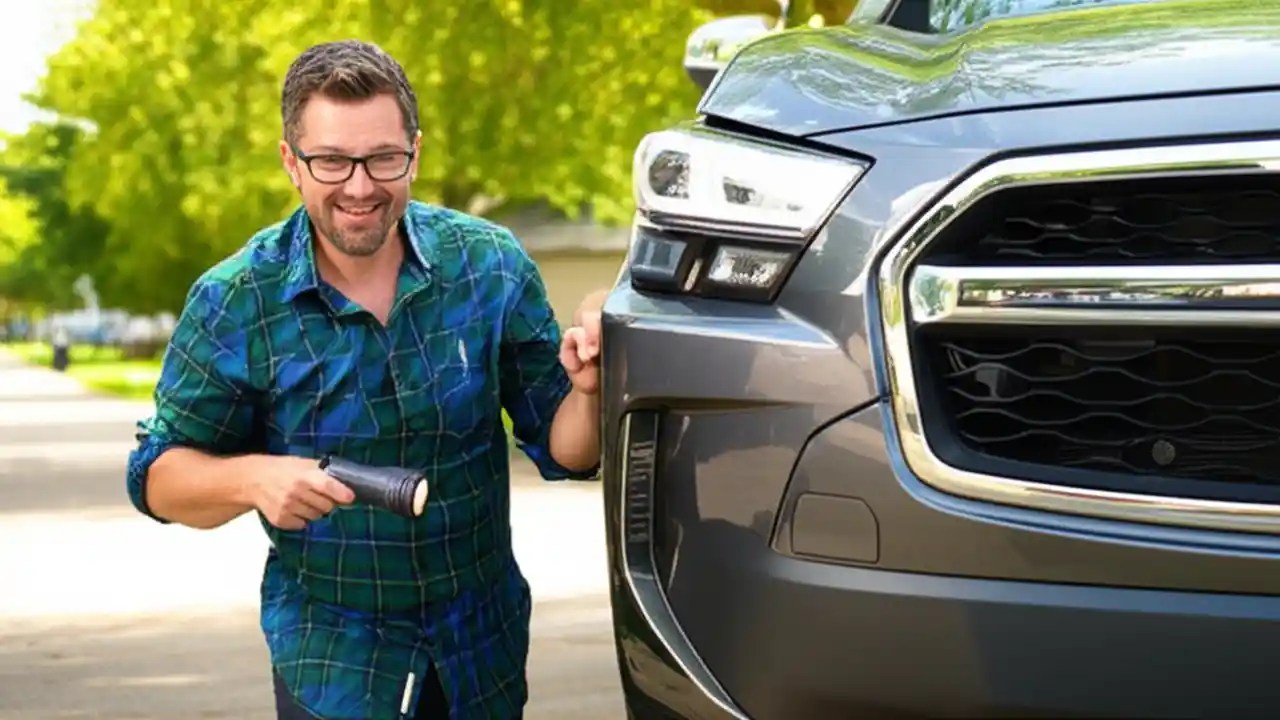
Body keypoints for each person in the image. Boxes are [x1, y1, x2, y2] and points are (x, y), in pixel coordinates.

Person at [124, 39, 605, 720]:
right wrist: (253, 479)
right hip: (336, 663)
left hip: (481, 654)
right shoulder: (236, 299)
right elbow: (155, 476)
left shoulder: (489, 265)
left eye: (384, 158)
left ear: (415, 152)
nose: (359, 187)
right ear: (291, 162)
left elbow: (568, 449)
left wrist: (589, 386)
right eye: (331, 161)